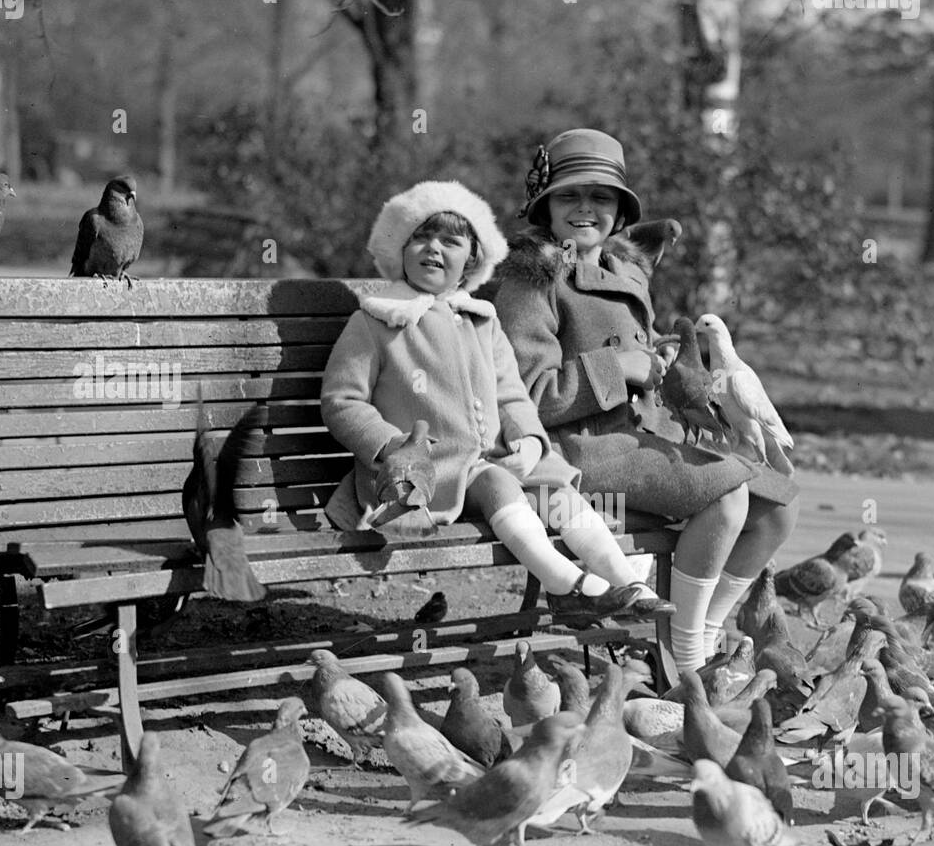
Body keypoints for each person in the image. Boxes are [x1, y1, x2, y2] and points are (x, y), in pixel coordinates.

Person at [493, 129, 799, 672]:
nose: (586, 208)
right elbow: (526, 396)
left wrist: (655, 360)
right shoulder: (530, 280)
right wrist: (618, 368)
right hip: (575, 452)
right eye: (569, 196)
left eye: (601, 198)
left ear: (618, 211)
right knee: (726, 495)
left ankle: (702, 633)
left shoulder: (621, 269)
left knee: (779, 507)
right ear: (545, 206)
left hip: (640, 434)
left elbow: (635, 349)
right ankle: (684, 661)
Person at [321, 179, 674, 625]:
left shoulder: (480, 322)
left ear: (471, 259)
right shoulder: (377, 321)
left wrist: (528, 439)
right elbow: (342, 401)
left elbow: (511, 393)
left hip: (486, 462)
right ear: (398, 247)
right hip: (419, 477)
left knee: (556, 487)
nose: (434, 249)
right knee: (500, 485)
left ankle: (627, 585)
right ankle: (567, 586)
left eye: (450, 241)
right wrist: (392, 447)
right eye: (420, 238)